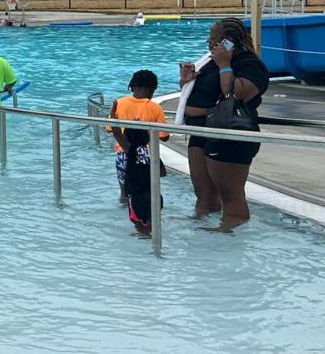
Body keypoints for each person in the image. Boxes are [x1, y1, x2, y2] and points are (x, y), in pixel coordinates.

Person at [178, 17, 270, 231]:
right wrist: (186, 80)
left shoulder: (250, 65)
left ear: (228, 42)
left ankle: (231, 237)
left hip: (229, 132)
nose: (209, 43)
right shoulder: (211, 61)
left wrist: (225, 64)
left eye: (214, 38)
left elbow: (235, 94)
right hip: (201, 130)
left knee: (231, 195)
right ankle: (202, 230)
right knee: (204, 191)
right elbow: (204, 92)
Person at [107, 70, 170, 203]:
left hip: (123, 154)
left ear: (132, 86)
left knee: (125, 195)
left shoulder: (119, 103)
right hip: (147, 155)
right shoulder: (154, 107)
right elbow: (164, 136)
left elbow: (110, 129)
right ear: (153, 89)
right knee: (149, 192)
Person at [119, 128, 166, 235]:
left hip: (138, 198)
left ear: (127, 138)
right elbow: (163, 173)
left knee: (141, 229)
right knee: (153, 227)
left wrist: (113, 116)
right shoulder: (151, 153)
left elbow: (117, 134)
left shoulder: (131, 150)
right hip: (156, 197)